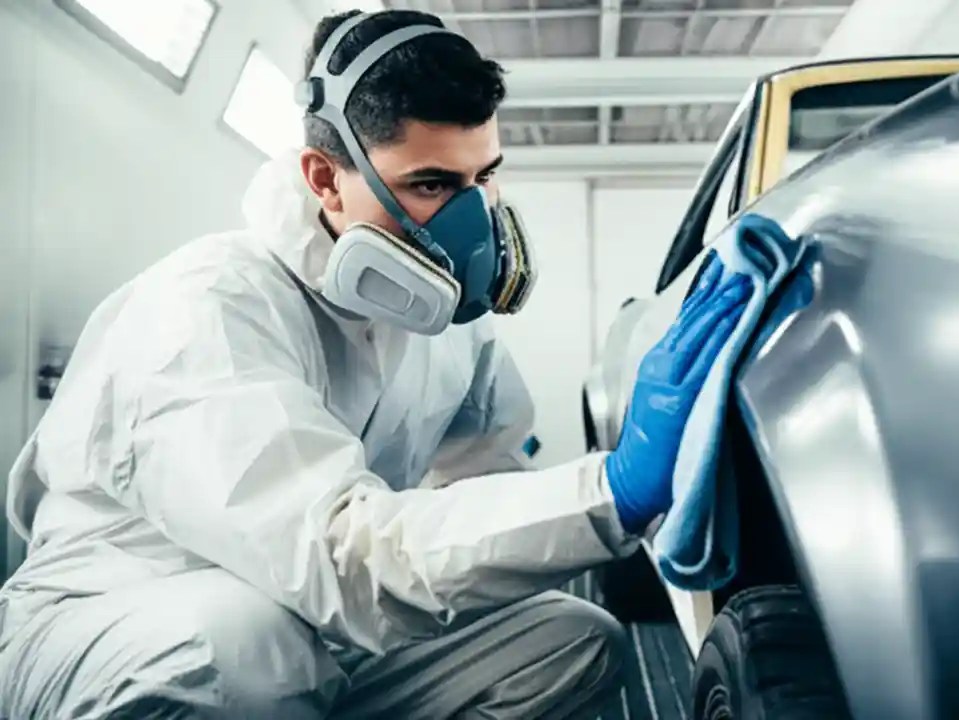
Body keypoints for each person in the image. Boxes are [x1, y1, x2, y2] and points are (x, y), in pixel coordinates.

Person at [0, 9, 750, 719]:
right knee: (242, 652)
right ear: (325, 179)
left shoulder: (449, 328)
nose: (475, 222)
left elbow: (481, 499)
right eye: (431, 185)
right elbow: (340, 556)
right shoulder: (208, 309)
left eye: (484, 177)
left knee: (573, 640)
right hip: (124, 626)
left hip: (313, 624)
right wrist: (612, 491)